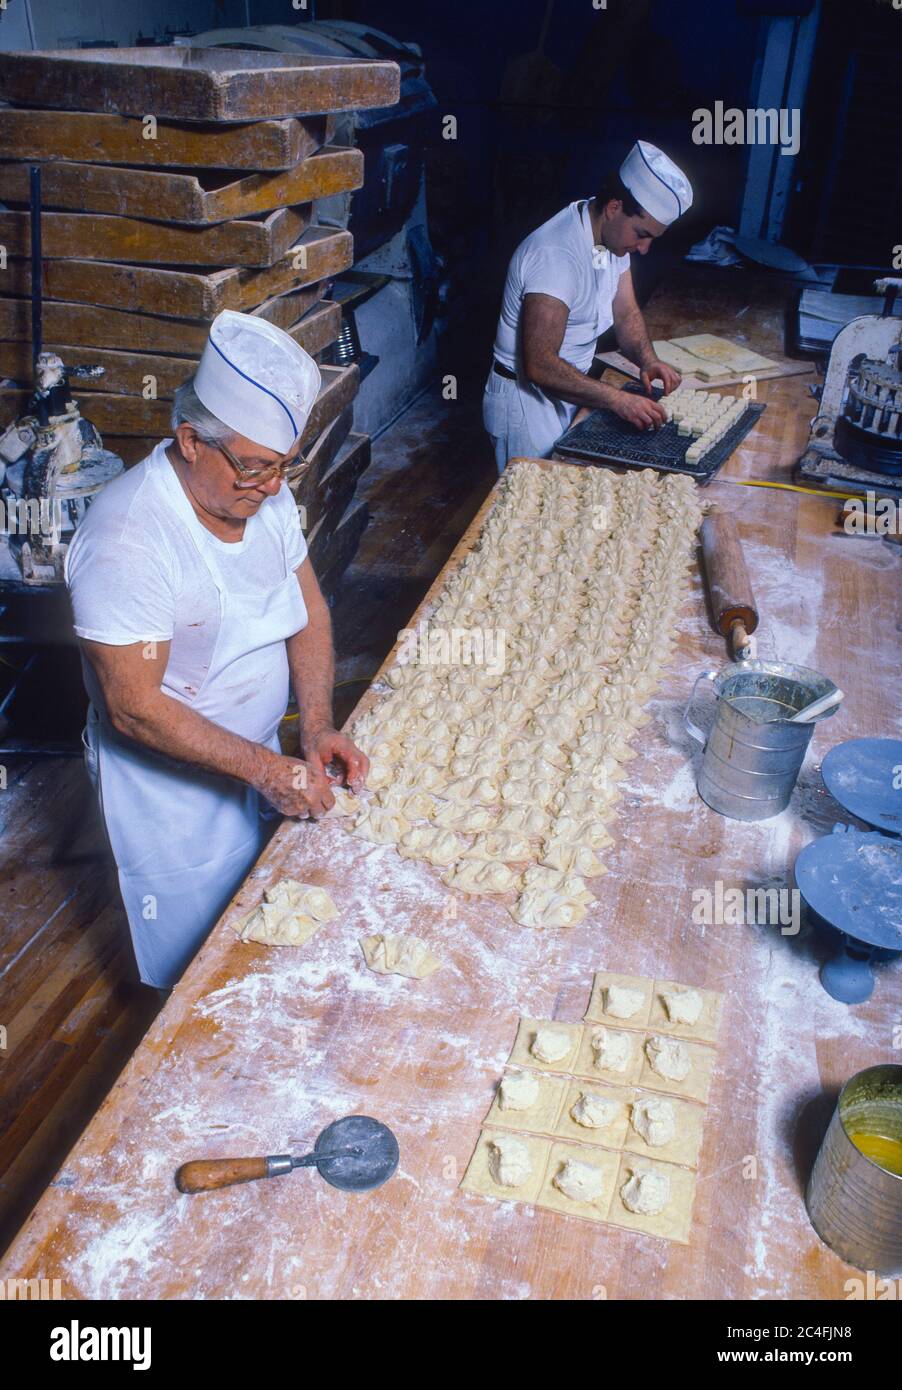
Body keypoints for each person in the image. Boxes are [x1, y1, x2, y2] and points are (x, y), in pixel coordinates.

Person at [65, 311, 368, 990]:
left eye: (280, 470)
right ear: (191, 440)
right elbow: (135, 710)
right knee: (206, 975)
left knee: (277, 923)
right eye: (254, 469)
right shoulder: (129, 539)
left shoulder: (263, 497)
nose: (269, 488)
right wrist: (263, 770)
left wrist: (315, 724)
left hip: (261, 753)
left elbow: (307, 612)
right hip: (173, 794)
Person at [484, 140, 693, 472]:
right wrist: (616, 399)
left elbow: (625, 312)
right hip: (525, 403)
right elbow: (539, 365)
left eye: (652, 238)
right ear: (614, 207)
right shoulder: (557, 255)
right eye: (641, 234)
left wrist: (648, 359)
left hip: (570, 389)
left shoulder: (610, 240)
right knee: (532, 511)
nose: (644, 248)